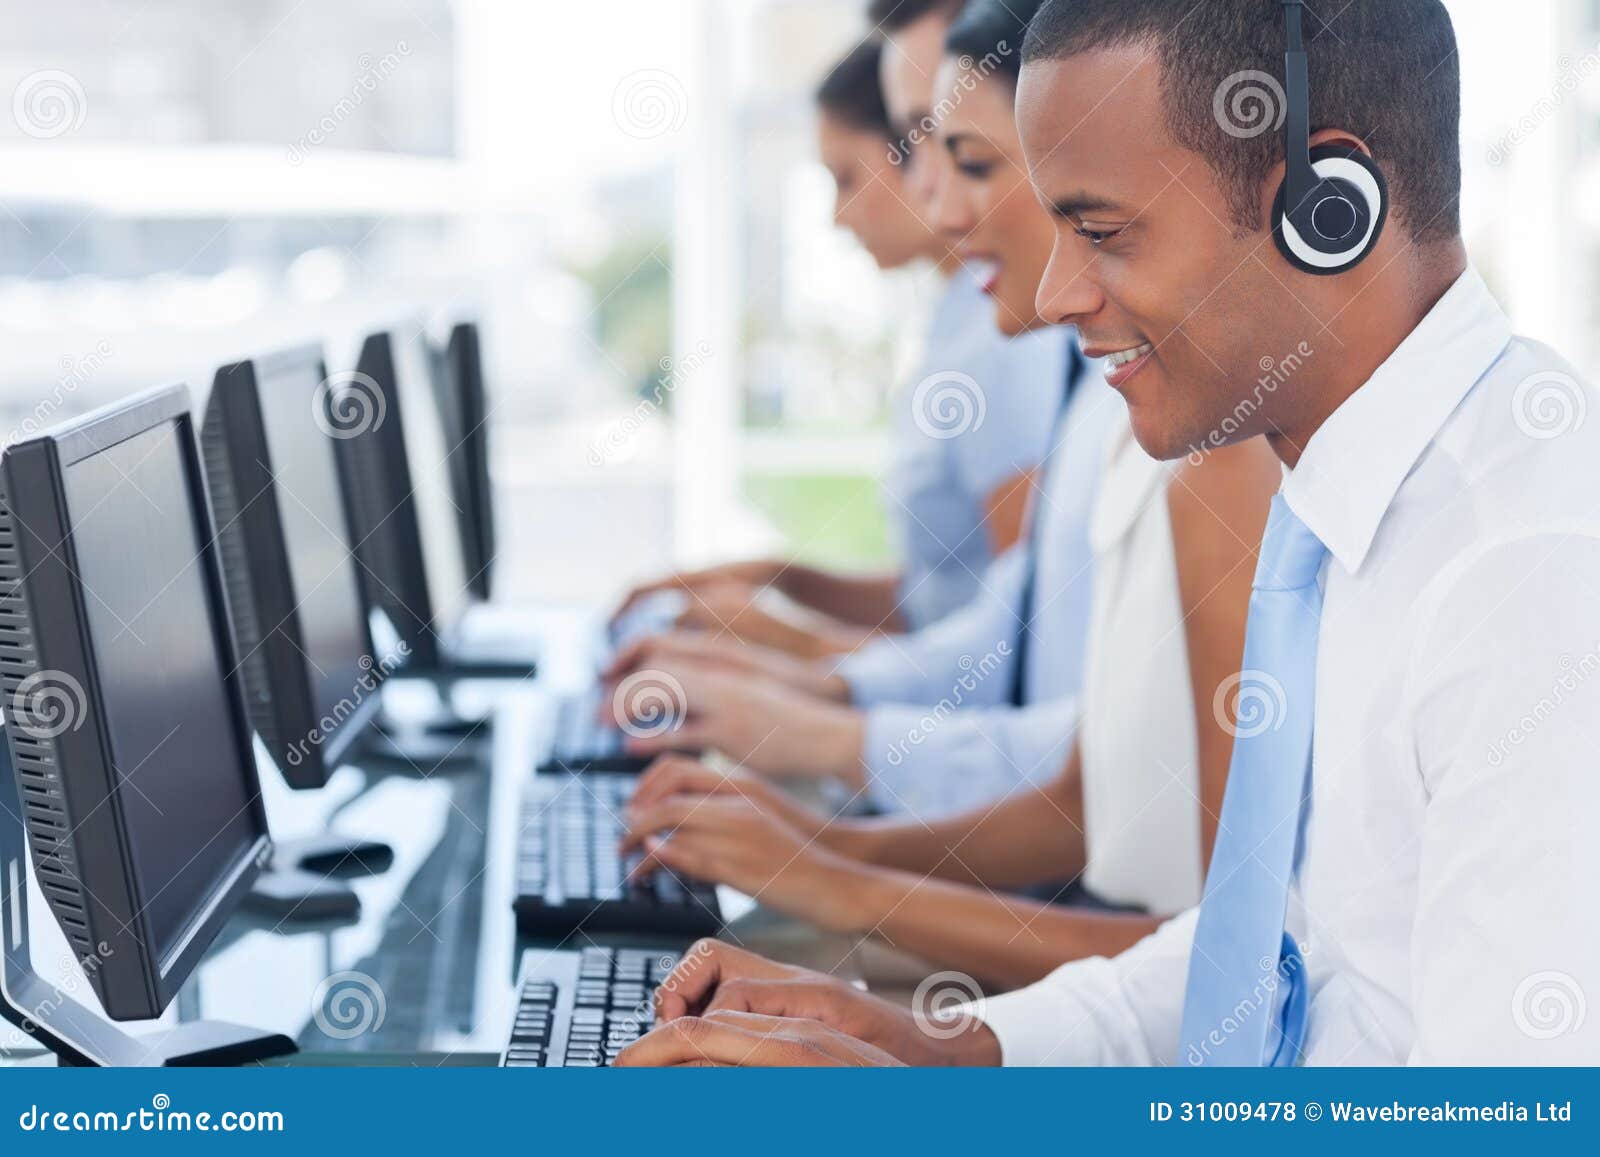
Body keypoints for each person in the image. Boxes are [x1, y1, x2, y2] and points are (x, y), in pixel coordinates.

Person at [617, 0, 1600, 1066]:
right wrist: (942, 1043)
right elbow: (1286, 953)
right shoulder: (1351, 492)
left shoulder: (1524, 575)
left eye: (1100, 231)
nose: (1056, 290)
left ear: (1330, 206)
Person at [610, 0, 1280, 990]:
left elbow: (1219, 961)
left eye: (966, 157)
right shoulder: (1131, 412)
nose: (936, 200)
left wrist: (827, 802)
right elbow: (1077, 763)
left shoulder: (1215, 446)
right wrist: (813, 835)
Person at [605, 0, 1125, 819]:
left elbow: (1033, 688)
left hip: (997, 821)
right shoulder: (1034, 347)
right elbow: (1001, 621)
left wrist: (814, 711)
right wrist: (795, 655)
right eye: (920, 140)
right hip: (973, 790)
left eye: (953, 149)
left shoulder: (1044, 358)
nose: (937, 196)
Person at [616, 4, 1065, 658]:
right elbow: (940, 596)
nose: (836, 216)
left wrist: (788, 646)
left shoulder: (1011, 334)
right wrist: (782, 581)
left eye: (848, 177)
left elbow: (1012, 644)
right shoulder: (966, 316)